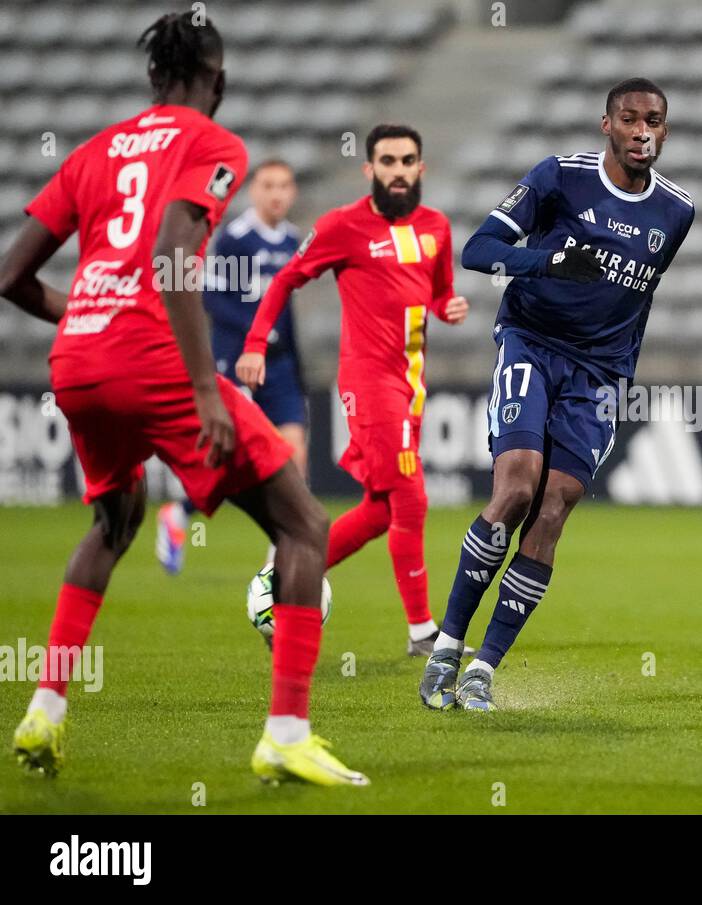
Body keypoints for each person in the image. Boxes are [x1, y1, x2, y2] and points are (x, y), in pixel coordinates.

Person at [0, 13, 367, 786]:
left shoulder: (96, 150)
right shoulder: (212, 142)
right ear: (218, 78)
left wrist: (88, 315)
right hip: (153, 355)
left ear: (152, 78)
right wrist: (205, 387)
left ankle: (44, 710)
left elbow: (9, 277)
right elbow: (172, 251)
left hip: (77, 361)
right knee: (302, 524)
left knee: (114, 520)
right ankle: (287, 733)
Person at [417, 78, 695, 712]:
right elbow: (476, 250)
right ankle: (446, 649)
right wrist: (543, 262)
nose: (642, 131)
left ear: (665, 131)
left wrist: (616, 368)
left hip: (598, 377)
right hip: (531, 345)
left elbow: (636, 298)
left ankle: (483, 670)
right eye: (629, 119)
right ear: (607, 125)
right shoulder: (558, 178)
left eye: (653, 121)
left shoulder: (677, 212)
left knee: (552, 511)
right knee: (516, 488)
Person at [237, 124, 469, 657]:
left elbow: (437, 294)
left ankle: (282, 575)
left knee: (379, 511)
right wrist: (254, 344)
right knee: (411, 498)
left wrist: (446, 309)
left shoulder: (435, 226)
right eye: (386, 160)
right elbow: (286, 280)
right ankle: (423, 634)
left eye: (407, 160)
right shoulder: (343, 226)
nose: (397, 169)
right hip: (369, 383)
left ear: (420, 168)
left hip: (411, 385)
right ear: (370, 170)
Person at [156, 158, 308, 575]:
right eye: (268, 185)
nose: (277, 193)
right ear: (254, 191)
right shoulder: (235, 239)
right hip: (237, 360)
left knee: (295, 452)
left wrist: (293, 358)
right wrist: (256, 332)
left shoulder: (293, 239)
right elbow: (213, 299)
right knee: (234, 457)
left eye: (284, 185)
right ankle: (179, 513)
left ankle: (282, 554)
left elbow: (286, 310)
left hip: (279, 365)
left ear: (292, 192)